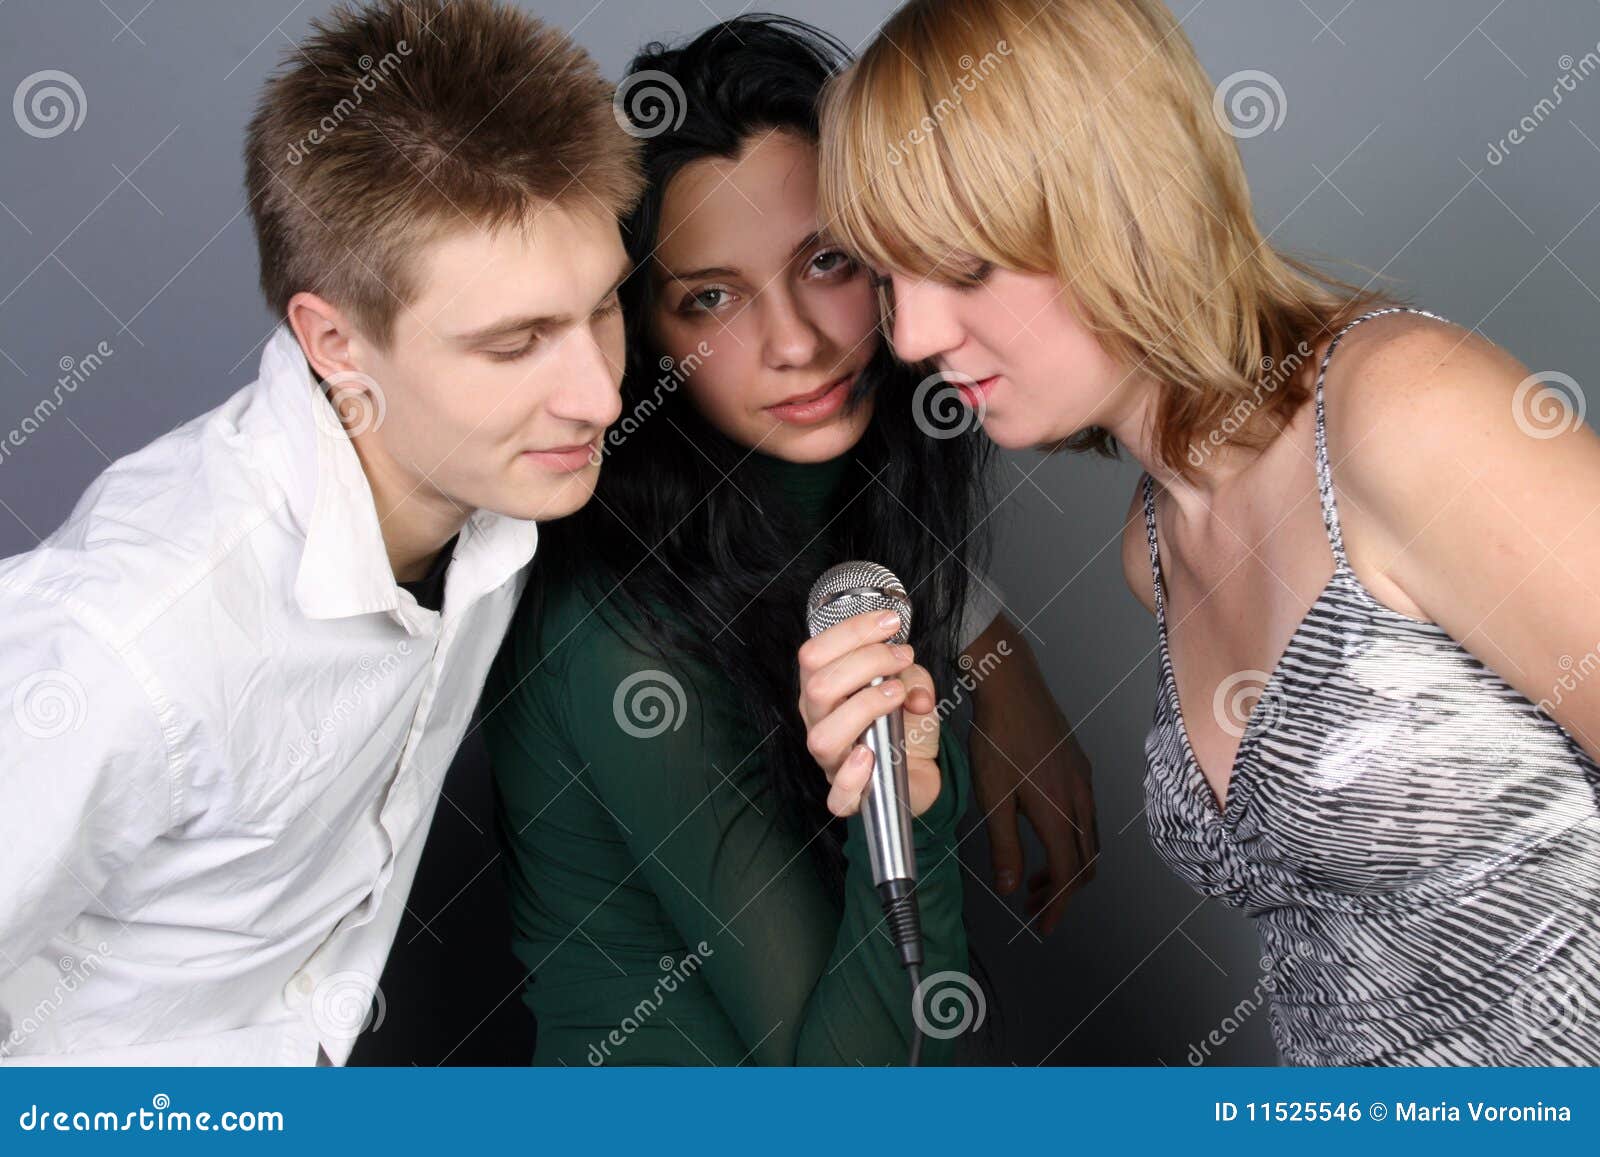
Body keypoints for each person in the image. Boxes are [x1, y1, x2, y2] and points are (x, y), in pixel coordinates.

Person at [812, 0, 1600, 1064]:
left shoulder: (1402, 410)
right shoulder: (1155, 550)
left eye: (961, 267)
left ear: (1116, 204)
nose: (910, 335)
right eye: (888, 278)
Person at [0, 0, 642, 1064]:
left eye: (605, 309)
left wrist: (991, 664)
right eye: (516, 342)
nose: (599, 396)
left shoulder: (501, 467)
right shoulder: (131, 638)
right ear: (336, 342)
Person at [480, 15, 1094, 1067]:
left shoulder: (844, 515)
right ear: (641, 335)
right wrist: (911, 805)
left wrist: (996, 655)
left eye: (827, 261)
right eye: (709, 298)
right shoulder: (619, 640)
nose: (798, 343)